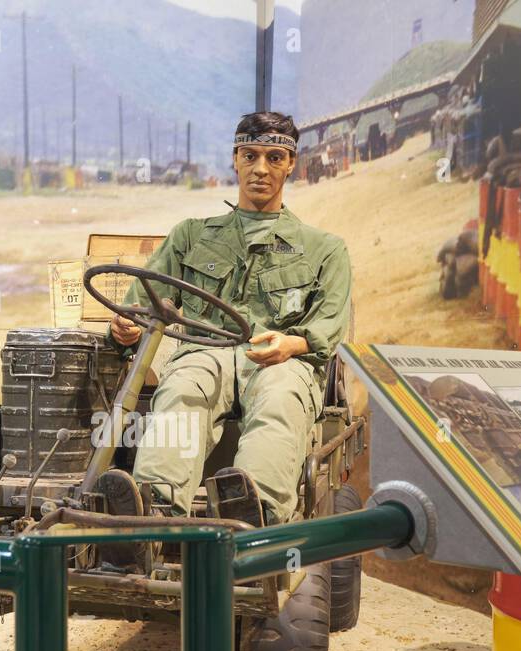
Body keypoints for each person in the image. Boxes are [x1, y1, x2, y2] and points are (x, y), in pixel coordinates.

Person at [95, 111, 352, 563]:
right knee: (182, 389)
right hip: (204, 353)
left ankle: (254, 519)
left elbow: (329, 324)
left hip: (278, 358)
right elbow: (141, 302)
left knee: (281, 398)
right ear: (235, 159)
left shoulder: (324, 248)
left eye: (275, 157)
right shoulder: (191, 237)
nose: (261, 169)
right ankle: (154, 514)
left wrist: (293, 344)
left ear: (291, 164)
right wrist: (125, 328)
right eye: (250, 155)